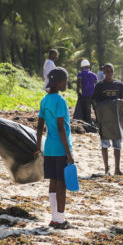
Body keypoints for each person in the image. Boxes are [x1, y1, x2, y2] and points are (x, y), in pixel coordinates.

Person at [36, 68, 74, 229]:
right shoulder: (60, 101)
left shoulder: (45, 100)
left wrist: (38, 146)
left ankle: (54, 218)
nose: (66, 83)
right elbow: (61, 127)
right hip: (60, 147)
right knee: (61, 184)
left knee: (52, 182)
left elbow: (39, 126)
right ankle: (61, 219)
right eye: (65, 80)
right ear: (59, 83)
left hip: (49, 147)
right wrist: (69, 153)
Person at [92, 63, 123, 175]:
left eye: (111, 71)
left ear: (113, 72)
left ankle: (117, 169)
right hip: (104, 120)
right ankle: (107, 168)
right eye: (107, 71)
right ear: (104, 72)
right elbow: (95, 102)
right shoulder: (99, 86)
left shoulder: (119, 84)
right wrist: (98, 117)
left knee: (117, 145)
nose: (109, 73)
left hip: (116, 121)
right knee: (104, 144)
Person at [74, 59, 97, 124]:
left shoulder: (80, 74)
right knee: (95, 109)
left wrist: (78, 90)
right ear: (88, 66)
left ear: (82, 67)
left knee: (88, 110)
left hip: (86, 94)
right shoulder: (93, 74)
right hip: (94, 94)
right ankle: (98, 121)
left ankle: (90, 123)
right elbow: (96, 83)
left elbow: (79, 82)